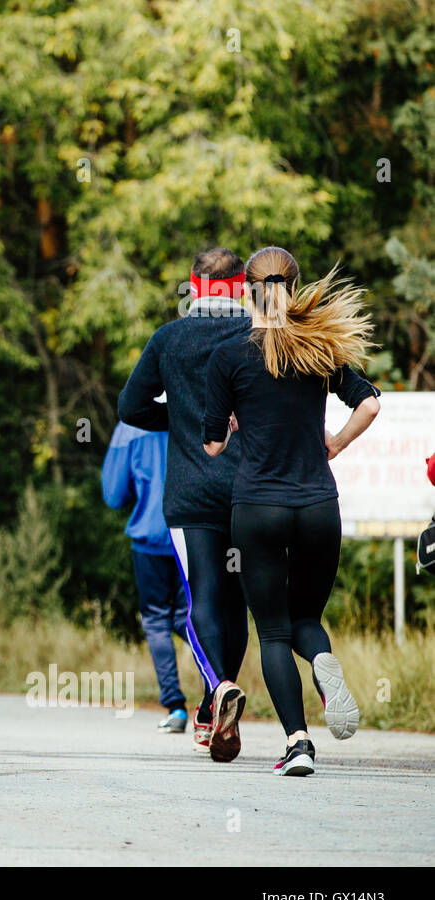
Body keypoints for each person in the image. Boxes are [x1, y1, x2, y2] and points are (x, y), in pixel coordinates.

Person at [204, 246, 379, 776]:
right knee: (306, 619)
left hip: (258, 506)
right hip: (318, 506)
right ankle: (323, 665)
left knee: (273, 632)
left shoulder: (229, 356)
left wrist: (235, 423)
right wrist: (336, 444)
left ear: (244, 291)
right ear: (296, 287)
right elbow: (369, 403)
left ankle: (299, 743)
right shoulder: (320, 346)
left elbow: (211, 444)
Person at [118, 247, 252, 761]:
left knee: (204, 596)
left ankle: (216, 691)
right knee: (237, 600)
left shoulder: (170, 339)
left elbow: (130, 406)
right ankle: (216, 698)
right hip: (251, 489)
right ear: (240, 287)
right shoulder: (260, 337)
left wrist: (184, 426)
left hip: (193, 492)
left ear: (195, 287)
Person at [102, 422, 191, 731]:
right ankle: (218, 686)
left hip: (150, 536)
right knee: (190, 617)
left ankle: (176, 708)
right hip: (193, 536)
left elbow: (113, 494)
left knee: (155, 619)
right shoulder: (197, 405)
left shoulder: (131, 425)